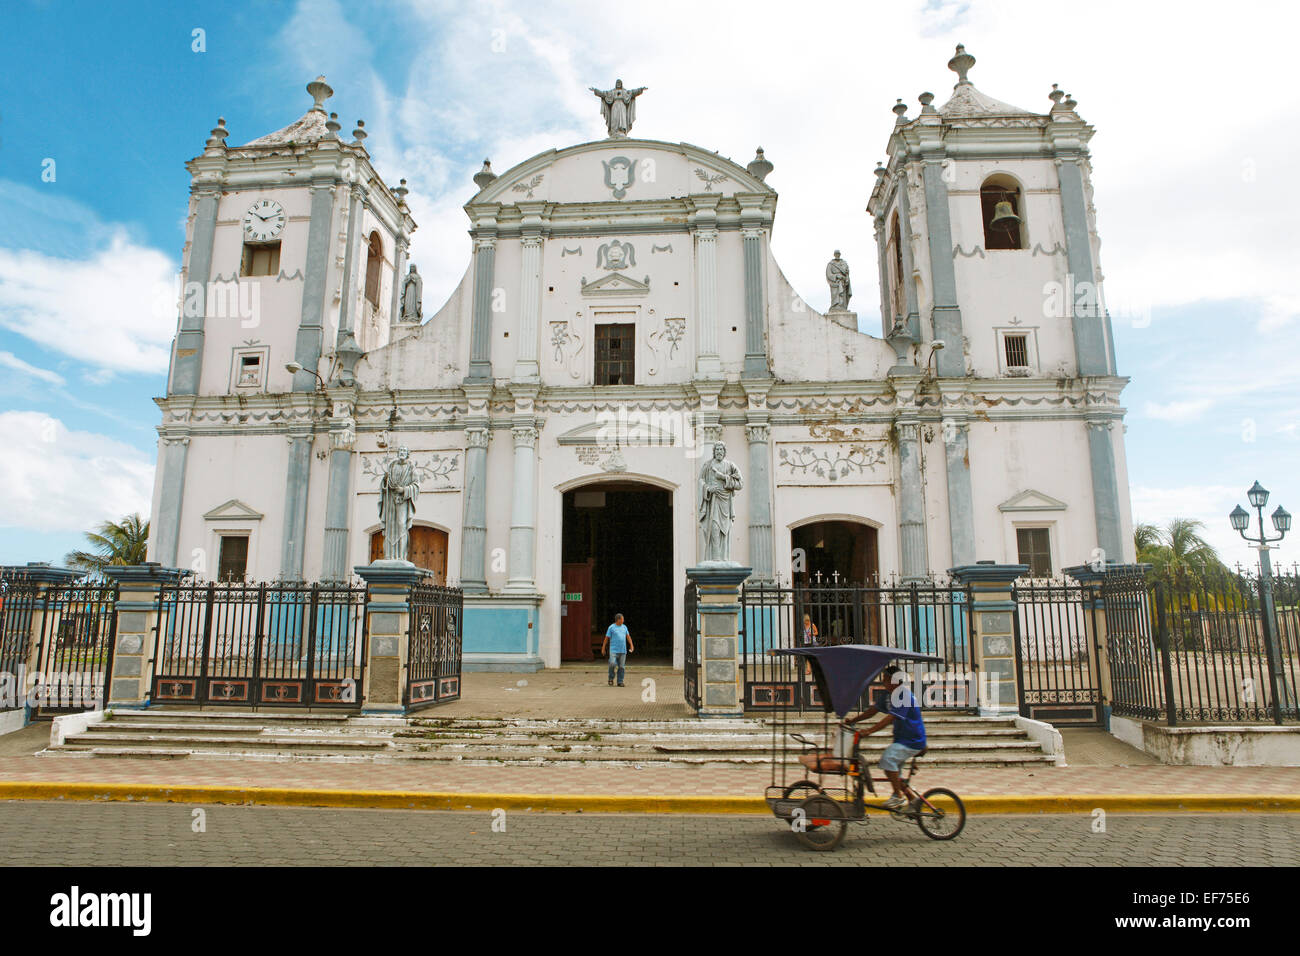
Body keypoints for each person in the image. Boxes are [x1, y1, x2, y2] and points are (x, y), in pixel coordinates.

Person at [847, 668, 927, 810]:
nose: (882, 682)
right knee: (892, 771)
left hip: (912, 740)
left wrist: (870, 731)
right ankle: (913, 800)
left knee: (887, 760)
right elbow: (873, 710)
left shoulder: (904, 696)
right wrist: (853, 720)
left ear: (894, 681)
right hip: (901, 739)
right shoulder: (889, 694)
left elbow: (890, 718)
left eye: (885, 679)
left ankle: (898, 796)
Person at [601, 613, 634, 687]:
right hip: (613, 650)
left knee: (621, 666)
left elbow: (628, 637)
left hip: (623, 650)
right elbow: (606, 638)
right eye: (622, 619)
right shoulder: (611, 627)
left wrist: (631, 645)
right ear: (618, 620)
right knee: (612, 663)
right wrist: (603, 648)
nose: (623, 620)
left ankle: (620, 681)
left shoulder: (624, 627)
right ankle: (611, 678)